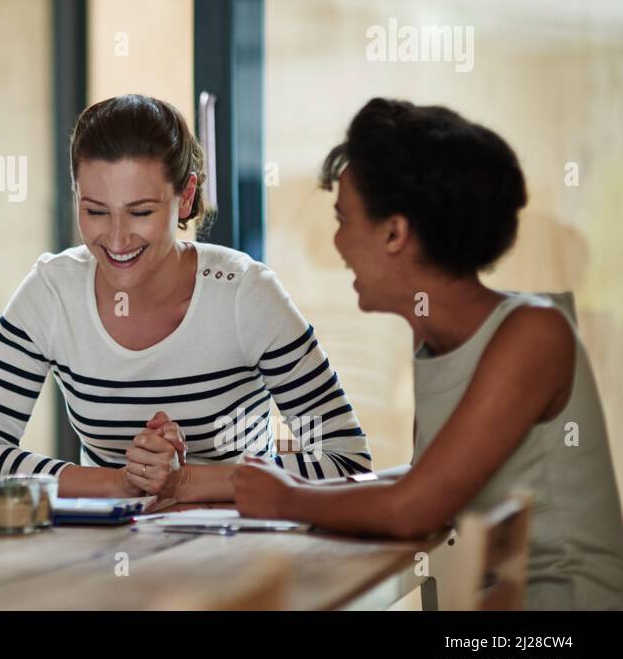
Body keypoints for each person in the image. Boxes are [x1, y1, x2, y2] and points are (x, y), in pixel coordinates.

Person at [233, 98, 623, 609]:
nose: (339, 241)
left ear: (395, 232)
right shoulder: (434, 338)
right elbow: (426, 476)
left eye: (344, 219)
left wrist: (285, 499)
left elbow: (414, 508)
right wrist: (299, 484)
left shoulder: (534, 333)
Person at [0, 94, 371, 500]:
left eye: (141, 212)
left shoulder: (244, 295)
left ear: (186, 195)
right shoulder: (52, 292)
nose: (117, 238)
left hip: (241, 553)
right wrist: (119, 481)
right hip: (105, 555)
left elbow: (347, 462)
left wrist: (186, 480)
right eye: (95, 211)